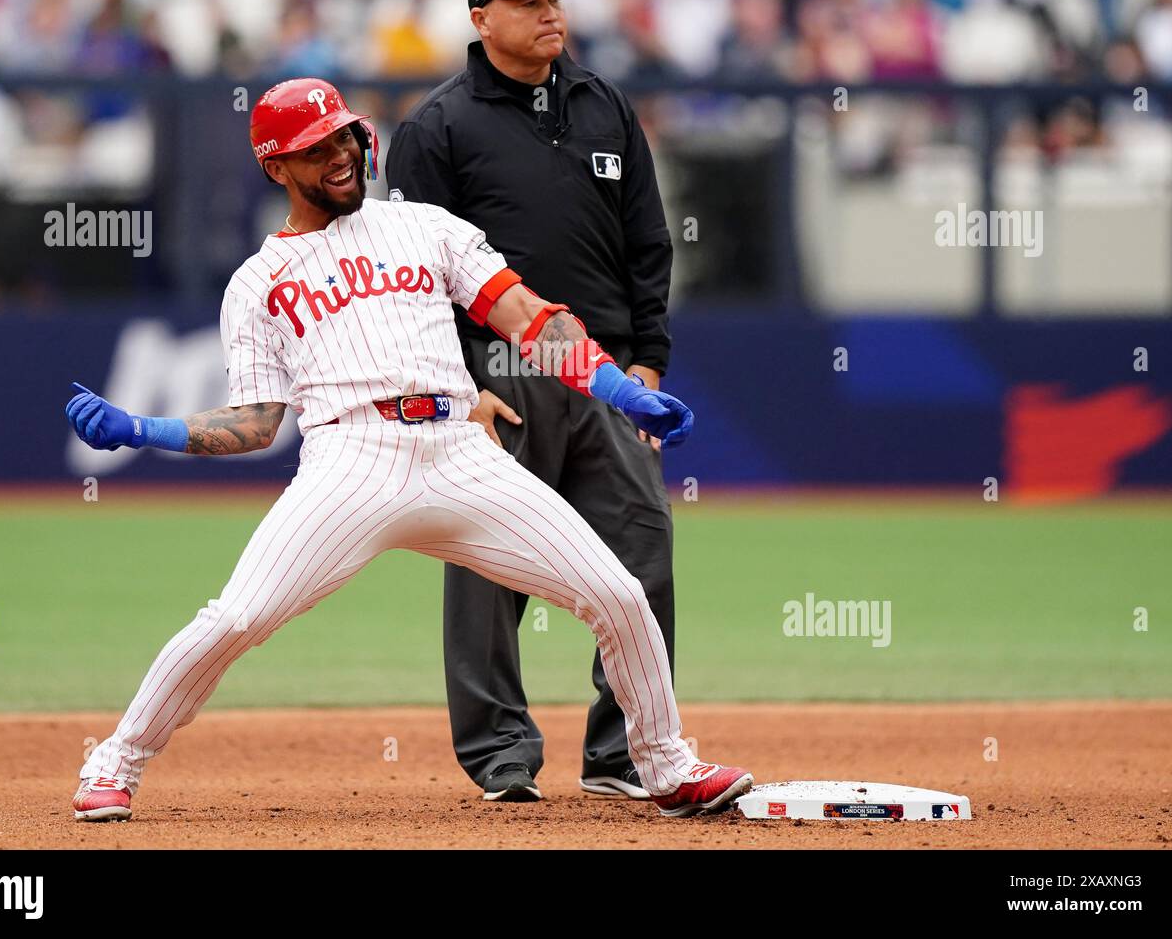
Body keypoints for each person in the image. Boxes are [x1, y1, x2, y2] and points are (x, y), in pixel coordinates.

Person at [65, 77, 753, 821]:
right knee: (236, 619)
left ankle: (665, 766)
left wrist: (620, 389)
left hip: (461, 451)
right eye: (313, 148)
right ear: (275, 167)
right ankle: (116, 759)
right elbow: (258, 424)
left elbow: (526, 316)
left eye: (343, 138)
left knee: (618, 593)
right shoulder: (258, 282)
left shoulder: (426, 225)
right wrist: (146, 431)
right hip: (351, 462)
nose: (337, 155)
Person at [386, 0, 677, 802]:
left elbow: (647, 246)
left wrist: (647, 363)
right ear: (481, 19)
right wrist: (456, 388)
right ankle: (501, 756)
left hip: (604, 381)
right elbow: (412, 283)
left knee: (643, 551)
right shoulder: (437, 127)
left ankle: (623, 755)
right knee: (486, 569)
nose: (551, 11)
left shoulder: (606, 108)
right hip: (494, 379)